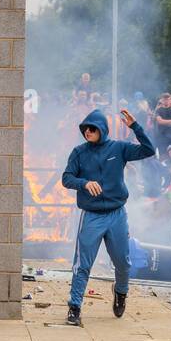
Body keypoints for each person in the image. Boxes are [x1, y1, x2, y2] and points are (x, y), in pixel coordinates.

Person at [60, 107, 155, 327]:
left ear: (102, 129)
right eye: (85, 129)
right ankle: (74, 307)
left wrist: (135, 126)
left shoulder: (119, 148)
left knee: (123, 262)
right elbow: (66, 178)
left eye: (92, 129)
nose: (88, 132)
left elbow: (148, 150)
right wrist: (84, 183)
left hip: (116, 215)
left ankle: (120, 292)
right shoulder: (79, 152)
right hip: (91, 216)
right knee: (82, 264)